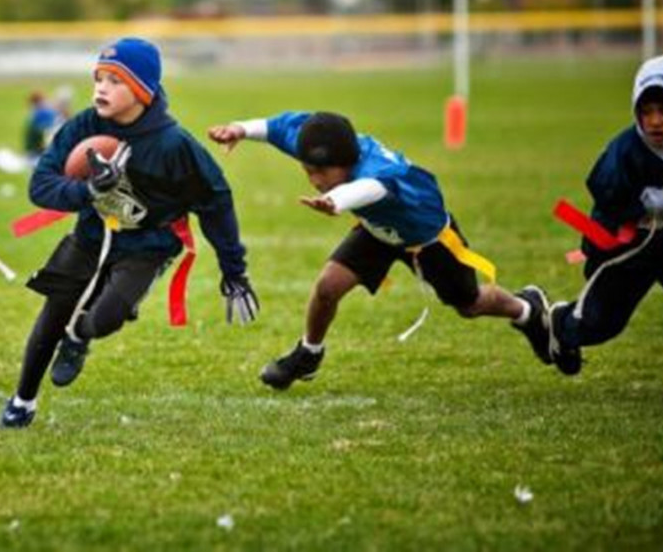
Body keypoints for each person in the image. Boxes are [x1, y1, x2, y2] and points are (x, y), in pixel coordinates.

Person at [0, 38, 259, 428]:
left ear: (142, 90)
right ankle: (22, 400)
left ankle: (80, 336)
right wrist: (88, 191)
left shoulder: (173, 145)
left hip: (147, 243)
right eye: (98, 78)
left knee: (107, 317)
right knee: (55, 308)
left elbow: (216, 201)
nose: (101, 87)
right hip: (91, 234)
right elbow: (41, 187)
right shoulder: (84, 126)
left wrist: (233, 269)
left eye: (115, 81)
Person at [208, 111, 552, 390]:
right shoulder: (321, 141)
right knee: (328, 287)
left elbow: (371, 189)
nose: (314, 179)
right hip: (379, 231)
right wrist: (239, 128)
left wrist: (335, 200)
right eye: (308, 170)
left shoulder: (379, 174)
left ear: (346, 164)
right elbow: (278, 127)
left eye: (321, 172)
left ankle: (527, 309)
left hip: (428, 240)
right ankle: (308, 353)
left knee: (470, 304)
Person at [546, 54, 663, 402]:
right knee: (603, 325)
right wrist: (641, 203)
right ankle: (561, 324)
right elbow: (600, 187)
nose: (655, 122)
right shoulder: (626, 150)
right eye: (646, 112)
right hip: (630, 247)